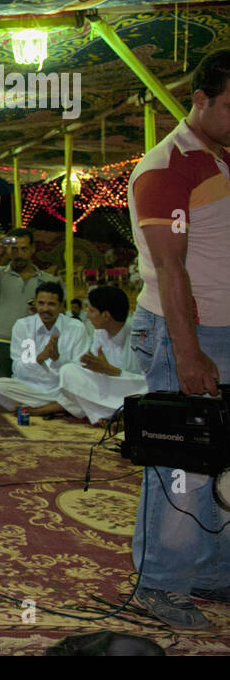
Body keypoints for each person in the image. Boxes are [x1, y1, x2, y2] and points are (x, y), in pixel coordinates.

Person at [125, 49, 230, 630]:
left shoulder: (221, 160)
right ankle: (161, 584)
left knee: (222, 460)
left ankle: (212, 571)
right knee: (182, 461)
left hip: (225, 329)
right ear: (200, 99)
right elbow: (170, 269)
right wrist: (188, 354)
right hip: (180, 332)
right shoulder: (168, 165)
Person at [47, 285, 148, 426]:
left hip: (131, 393)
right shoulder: (99, 333)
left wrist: (112, 371)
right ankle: (113, 415)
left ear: (106, 315)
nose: (87, 315)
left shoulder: (138, 337)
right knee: (68, 371)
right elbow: (86, 368)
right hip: (107, 391)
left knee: (147, 391)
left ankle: (108, 414)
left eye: (91, 310)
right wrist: (57, 358)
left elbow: (146, 382)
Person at [0, 281, 90, 416]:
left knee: (86, 389)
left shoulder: (76, 328)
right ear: (35, 304)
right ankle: (58, 407)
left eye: (51, 304)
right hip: (30, 387)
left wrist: (58, 359)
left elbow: (80, 371)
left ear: (61, 306)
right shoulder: (23, 326)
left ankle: (39, 410)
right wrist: (40, 357)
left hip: (61, 388)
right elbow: (18, 368)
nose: (45, 309)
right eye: (41, 303)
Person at [0, 228, 61, 378]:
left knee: (29, 385)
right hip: (2, 341)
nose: (19, 254)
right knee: (1, 386)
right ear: (7, 250)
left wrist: (41, 310)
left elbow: (59, 312)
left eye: (24, 249)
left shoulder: (47, 280)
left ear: (32, 249)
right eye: (14, 249)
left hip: (33, 341)